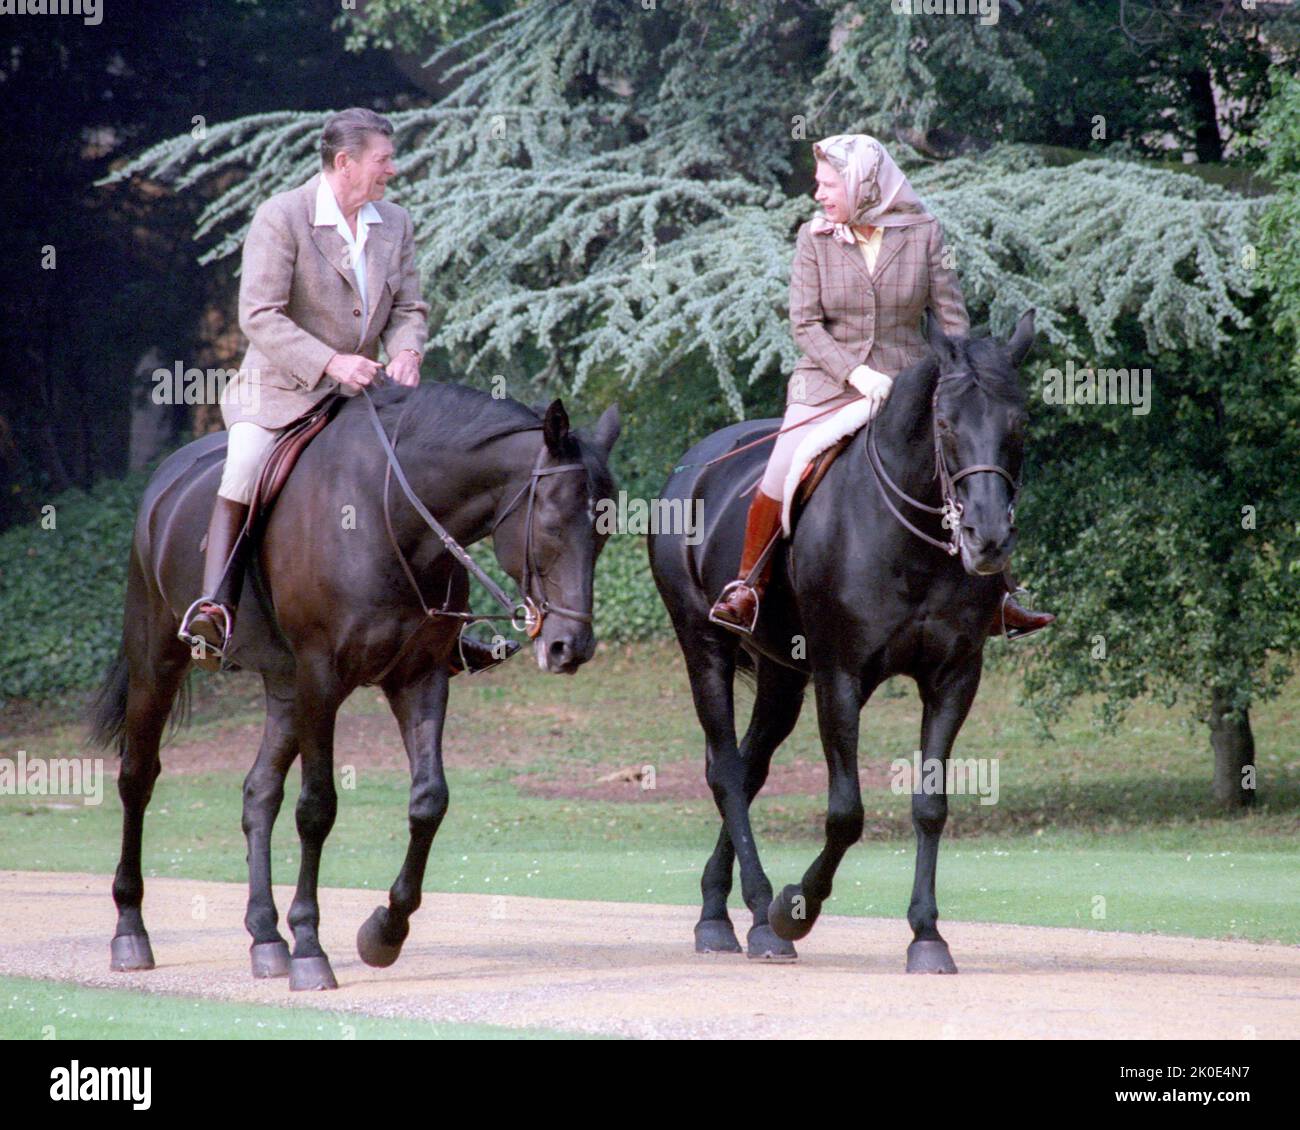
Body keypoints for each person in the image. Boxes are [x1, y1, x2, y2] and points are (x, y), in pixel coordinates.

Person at [178, 107, 514, 675]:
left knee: (429, 474)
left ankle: (451, 626)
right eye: (384, 160)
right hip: (282, 390)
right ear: (345, 163)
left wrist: (407, 349)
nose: (393, 170)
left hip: (364, 396)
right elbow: (258, 315)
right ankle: (216, 607)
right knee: (245, 464)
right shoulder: (282, 217)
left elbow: (409, 307)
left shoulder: (395, 223)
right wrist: (331, 361)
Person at [708, 133, 1055, 640]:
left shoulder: (926, 234)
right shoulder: (814, 238)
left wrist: (961, 378)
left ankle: (1001, 594)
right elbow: (805, 325)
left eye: (828, 184)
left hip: (910, 385)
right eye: (819, 185)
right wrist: (855, 373)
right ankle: (749, 586)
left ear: (862, 184)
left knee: (968, 463)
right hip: (827, 384)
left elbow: (951, 321)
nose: (819, 194)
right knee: (783, 467)